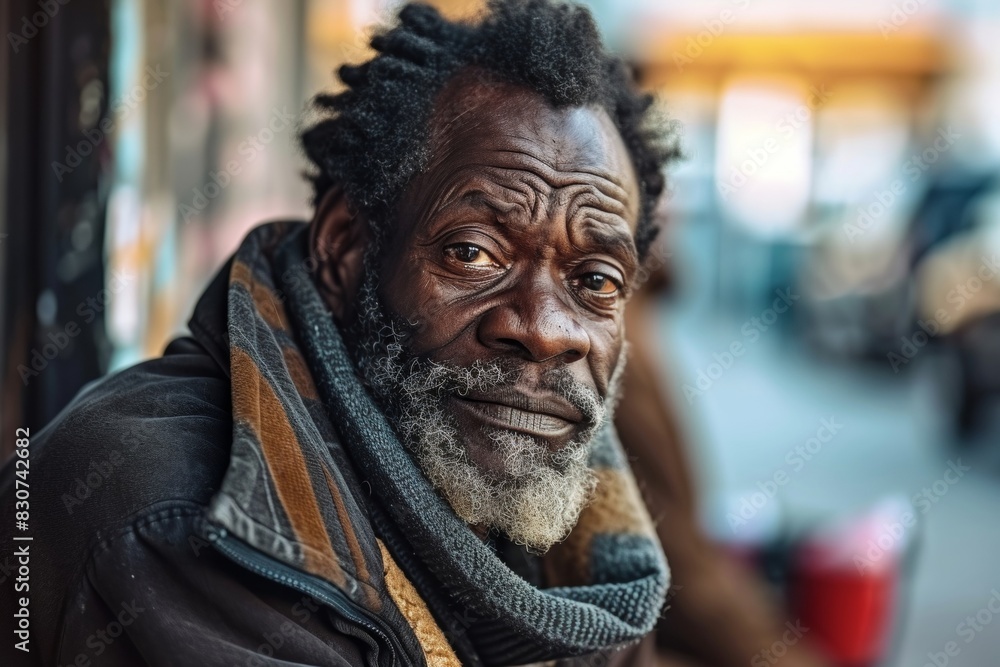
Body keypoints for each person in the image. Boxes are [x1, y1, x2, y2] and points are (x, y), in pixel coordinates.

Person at [1, 2, 677, 665]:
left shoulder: (540, 496)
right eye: (473, 253)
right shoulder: (173, 518)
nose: (546, 331)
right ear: (345, 246)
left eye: (596, 281)